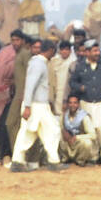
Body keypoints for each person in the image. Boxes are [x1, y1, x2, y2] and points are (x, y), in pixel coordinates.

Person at [9, 40, 63, 172]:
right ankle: (51, 162)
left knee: (45, 131)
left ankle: (52, 161)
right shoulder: (38, 64)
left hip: (39, 104)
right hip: (36, 105)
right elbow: (30, 86)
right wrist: (27, 106)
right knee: (46, 130)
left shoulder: (38, 63)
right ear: (50, 50)